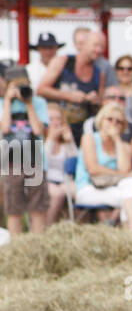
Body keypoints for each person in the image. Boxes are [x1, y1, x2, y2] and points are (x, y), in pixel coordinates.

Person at [74, 101, 132, 227]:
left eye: (118, 122)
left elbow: (125, 169)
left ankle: (131, 230)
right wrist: (123, 175)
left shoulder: (124, 146)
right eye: (110, 119)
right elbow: (93, 169)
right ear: (101, 120)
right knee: (130, 198)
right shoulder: (89, 138)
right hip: (89, 188)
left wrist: (117, 140)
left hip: (114, 187)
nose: (114, 124)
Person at [1, 77, 50, 235]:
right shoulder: (2, 103)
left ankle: (37, 244)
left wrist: (29, 103)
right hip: (11, 159)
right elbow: (5, 128)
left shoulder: (39, 102)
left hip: (35, 157)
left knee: (38, 206)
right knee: (14, 208)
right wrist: (8, 101)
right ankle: (17, 247)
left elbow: (37, 130)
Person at [36, 29, 103, 143]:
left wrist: (95, 101)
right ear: (84, 44)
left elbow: (100, 106)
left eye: (102, 47)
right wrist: (68, 95)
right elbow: (41, 90)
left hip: (83, 133)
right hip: (57, 130)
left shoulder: (99, 73)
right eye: (96, 45)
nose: (99, 50)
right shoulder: (63, 61)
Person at [43, 105, 79, 225]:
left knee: (82, 191)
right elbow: (42, 163)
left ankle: (78, 228)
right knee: (57, 194)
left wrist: (70, 141)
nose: (55, 122)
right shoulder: (39, 138)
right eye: (51, 119)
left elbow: (75, 163)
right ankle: (47, 229)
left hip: (65, 180)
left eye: (58, 118)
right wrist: (51, 139)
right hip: (44, 180)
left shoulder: (65, 140)